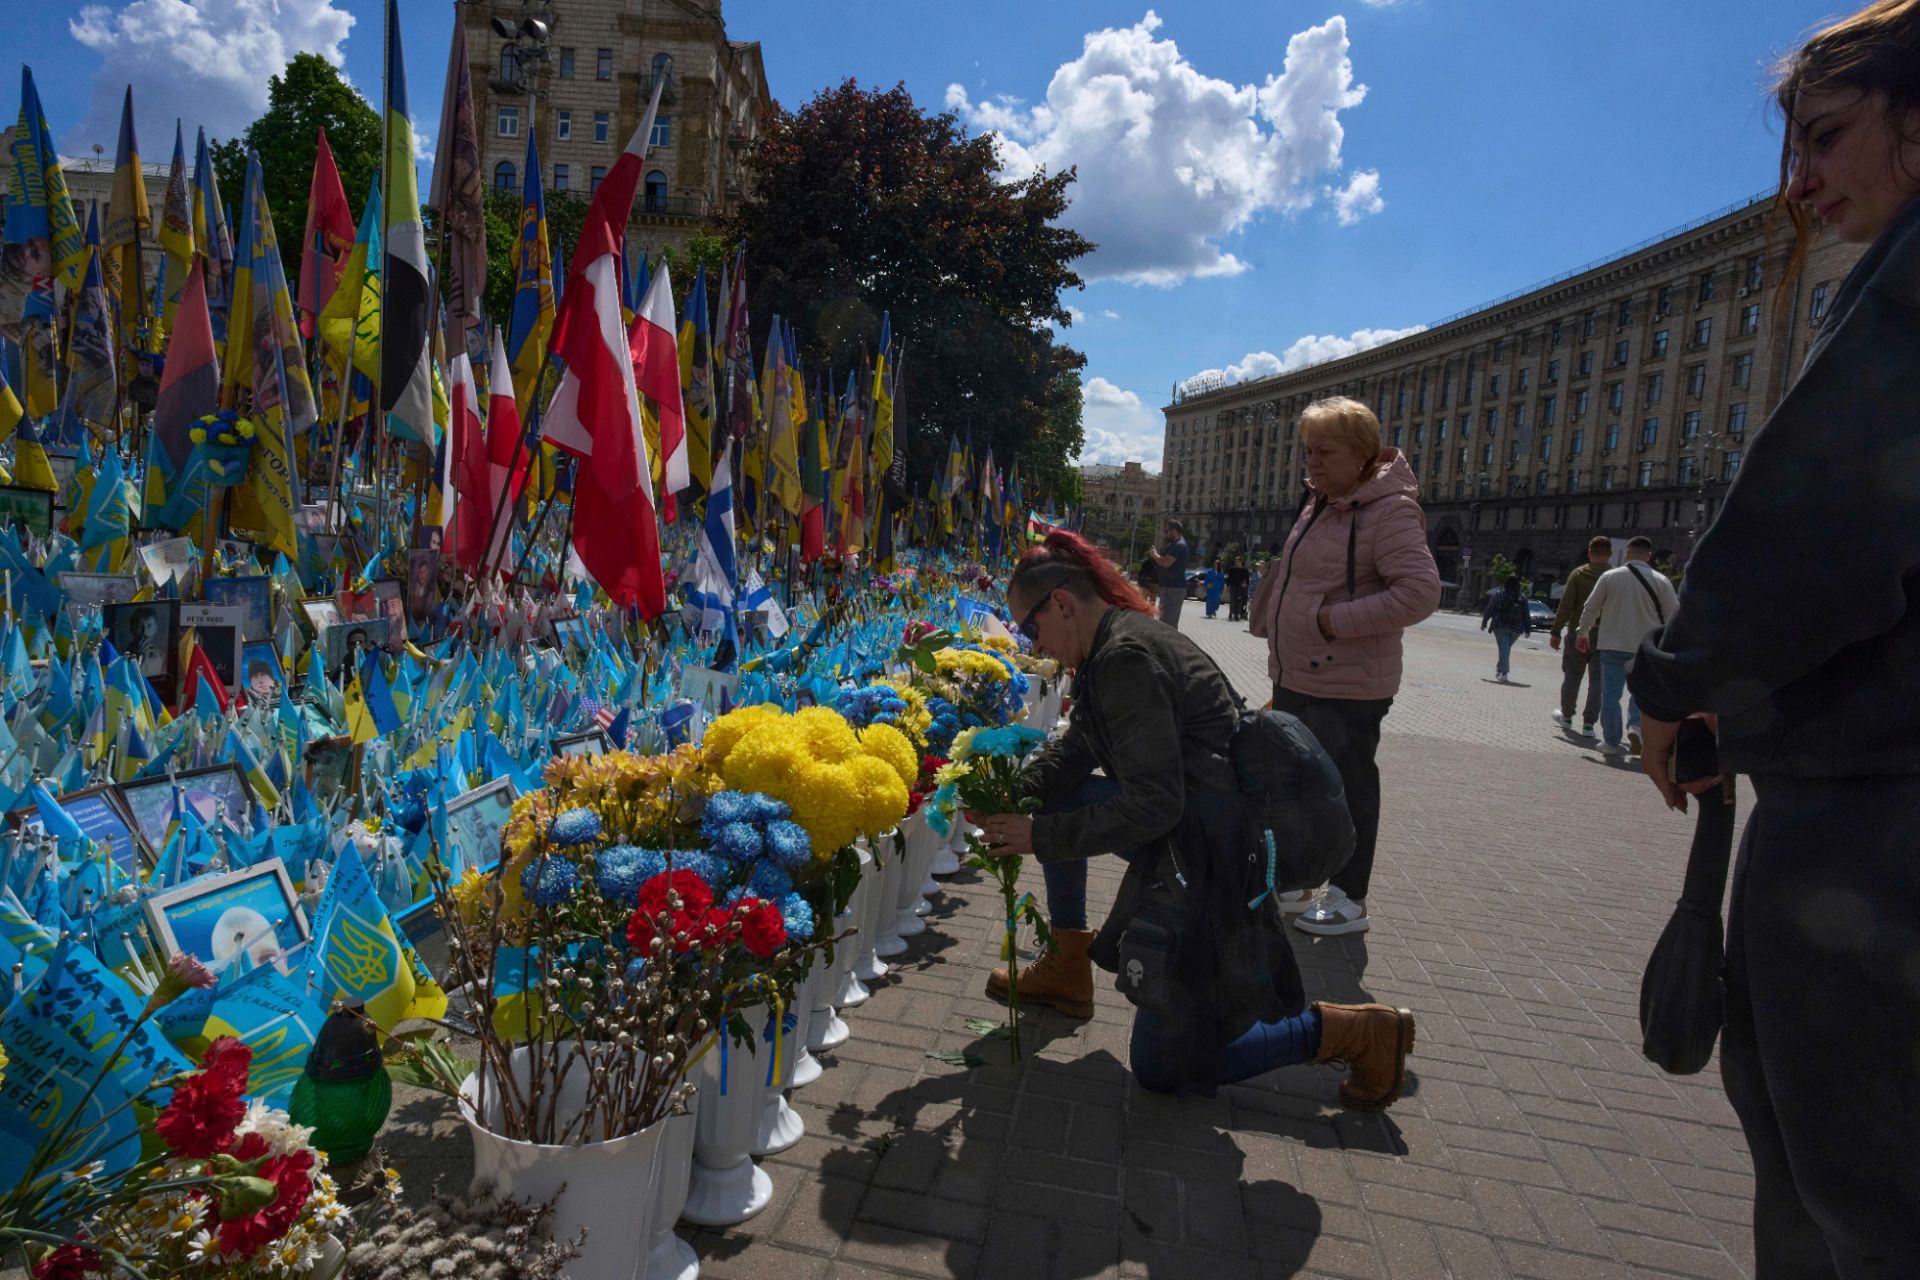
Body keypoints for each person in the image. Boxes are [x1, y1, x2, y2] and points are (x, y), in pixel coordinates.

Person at [1632, 7, 1920, 1268]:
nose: (1801, 181)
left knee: (1842, 1170)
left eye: (1829, 136)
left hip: (1874, 813)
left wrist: (1680, 683)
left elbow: (1821, 509)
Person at [969, 530, 1415, 1104]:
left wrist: (1039, 835)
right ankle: (1068, 963)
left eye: (1029, 629)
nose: (1032, 645)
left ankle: (1352, 1031)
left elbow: (1155, 805)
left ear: (1060, 603)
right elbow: (1077, 752)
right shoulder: (1116, 641)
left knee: (1161, 1067)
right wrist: (1011, 794)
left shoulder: (1125, 657)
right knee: (1059, 796)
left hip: (1217, 860)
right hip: (1197, 834)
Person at [1248, 397, 1440, 936]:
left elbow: (1420, 594)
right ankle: (1298, 881)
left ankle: (1350, 897)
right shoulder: (1320, 502)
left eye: (1324, 451)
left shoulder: (1391, 509)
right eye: (1308, 451)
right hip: (1297, 673)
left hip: (1348, 683)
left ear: (1364, 454)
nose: (1312, 462)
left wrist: (1330, 621)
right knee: (1292, 782)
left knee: (1346, 788)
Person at [1577, 535, 1678, 757]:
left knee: (1611, 695)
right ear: (1649, 556)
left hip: (1612, 644)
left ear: (1628, 553)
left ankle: (1612, 742)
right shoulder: (1662, 581)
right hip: (1646, 648)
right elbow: (1674, 618)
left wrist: (1582, 632)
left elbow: (1591, 607)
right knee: (1641, 694)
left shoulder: (1610, 576)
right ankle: (1636, 726)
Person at [1549, 535, 1612, 739]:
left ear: (1589, 553)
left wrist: (1556, 631)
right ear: (1610, 555)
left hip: (1579, 633)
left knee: (1572, 676)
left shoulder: (1578, 574)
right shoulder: (1615, 576)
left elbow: (1566, 606)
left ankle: (1567, 716)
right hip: (1605, 635)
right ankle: (1589, 724)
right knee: (1597, 682)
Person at [1480, 574, 1533, 683]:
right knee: (1505, 650)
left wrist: (1485, 621)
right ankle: (1500, 670)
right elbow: (1526, 614)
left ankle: (1504, 674)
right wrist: (1528, 629)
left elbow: (1490, 609)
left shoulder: (1499, 595)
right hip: (1517, 628)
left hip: (1500, 626)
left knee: (1504, 650)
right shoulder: (1522, 597)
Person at [1146, 520, 1191, 627]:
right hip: (1170, 588)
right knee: (1167, 622)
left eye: (1167, 531)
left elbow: (1166, 562)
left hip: (1173, 589)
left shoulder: (1179, 545)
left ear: (1174, 530)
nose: (1165, 533)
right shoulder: (1175, 544)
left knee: (1167, 623)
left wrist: (1154, 555)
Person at [1226, 556, 1251, 622]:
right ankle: (1231, 613)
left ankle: (1237, 615)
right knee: (1233, 601)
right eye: (1235, 561)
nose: (1236, 562)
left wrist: (1245, 584)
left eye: (1237, 561)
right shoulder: (1232, 569)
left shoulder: (1245, 570)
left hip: (1241, 588)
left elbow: (1247, 581)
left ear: (1241, 561)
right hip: (1233, 587)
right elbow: (1229, 579)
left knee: (1239, 601)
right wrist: (1228, 586)